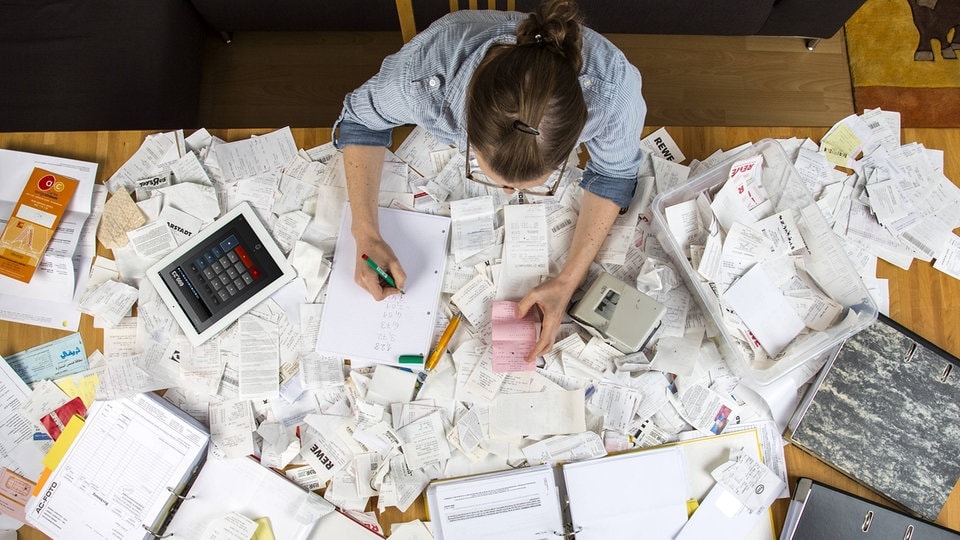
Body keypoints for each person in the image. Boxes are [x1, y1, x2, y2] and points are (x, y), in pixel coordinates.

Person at [333, 0, 646, 362]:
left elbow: (613, 174)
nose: (510, 195)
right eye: (493, 178)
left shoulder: (613, 92)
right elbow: (360, 120)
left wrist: (567, 281)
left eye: (532, 185)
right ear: (467, 124)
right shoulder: (423, 75)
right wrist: (366, 233)